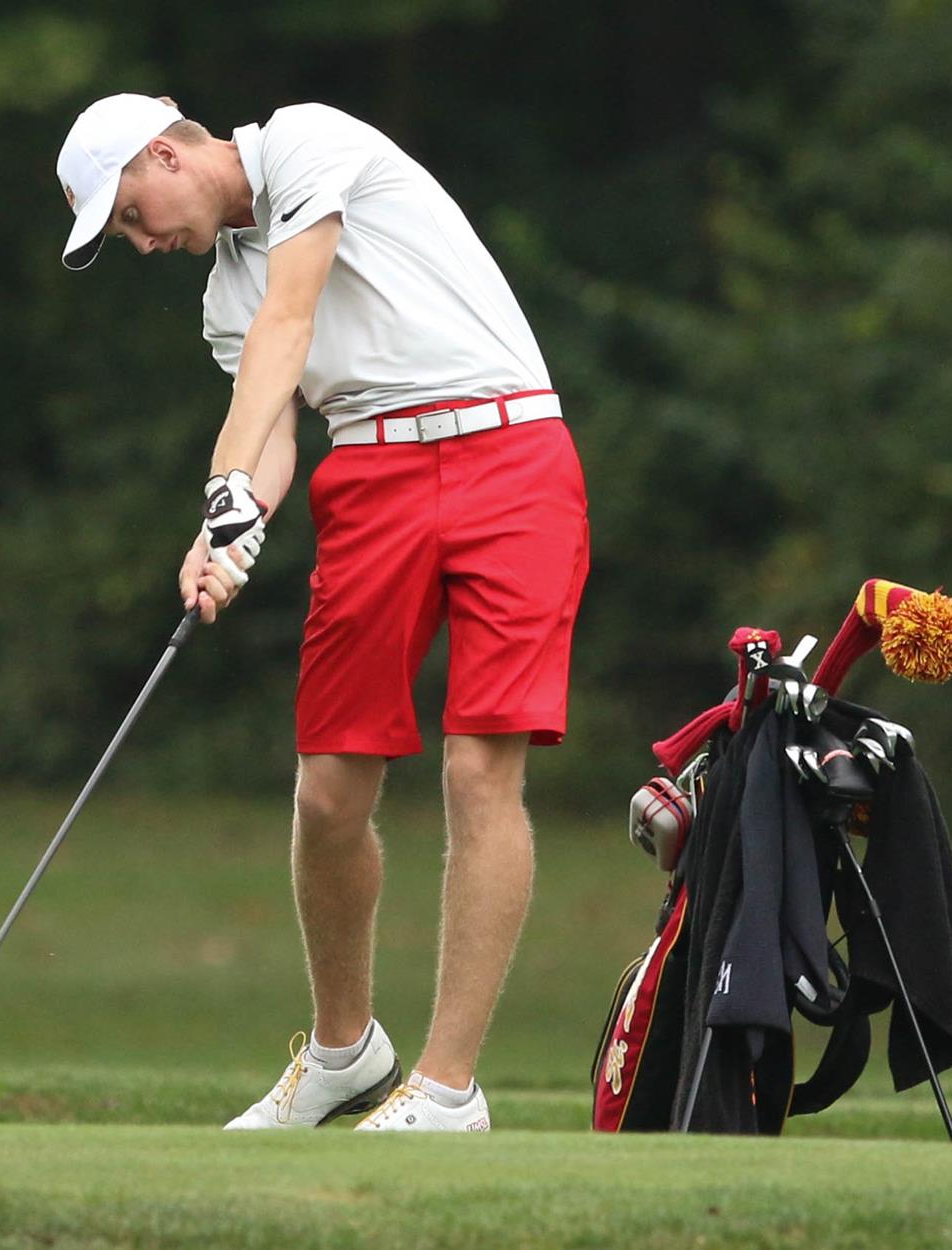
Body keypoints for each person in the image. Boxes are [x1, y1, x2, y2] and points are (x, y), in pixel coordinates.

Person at [56, 94, 589, 1132]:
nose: (141, 241)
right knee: (328, 793)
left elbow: (291, 317)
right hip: (372, 479)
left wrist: (221, 479)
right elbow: (273, 428)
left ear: (165, 155)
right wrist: (228, 529)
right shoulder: (223, 298)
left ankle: (446, 1087)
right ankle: (345, 1054)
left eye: (130, 213)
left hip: (509, 452)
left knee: (479, 768)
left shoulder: (306, 140)